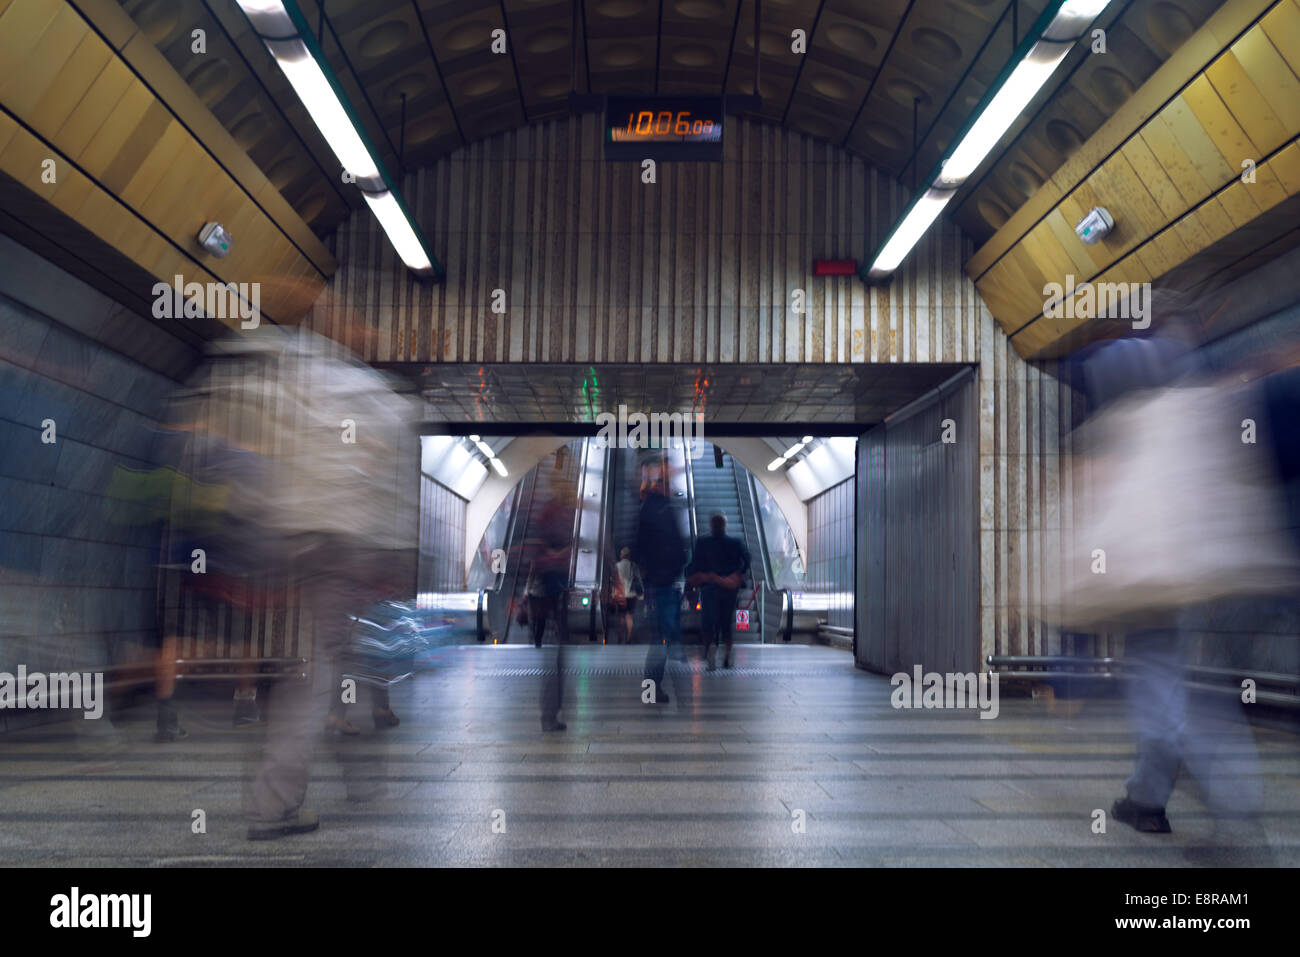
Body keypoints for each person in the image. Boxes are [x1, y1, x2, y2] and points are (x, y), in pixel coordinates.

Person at [634, 459, 687, 704]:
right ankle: (652, 689)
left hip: (661, 579)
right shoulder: (656, 509)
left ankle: (653, 688)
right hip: (661, 581)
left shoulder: (657, 507)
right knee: (660, 637)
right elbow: (647, 546)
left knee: (661, 636)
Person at [687, 513, 750, 670]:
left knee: (709, 621)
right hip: (729, 588)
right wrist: (738, 572)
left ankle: (709, 652)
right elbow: (747, 559)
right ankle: (727, 654)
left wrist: (692, 579)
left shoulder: (702, 543)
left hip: (709, 587)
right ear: (725, 525)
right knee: (726, 622)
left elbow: (695, 564)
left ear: (711, 526)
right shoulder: (736, 543)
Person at [613, 547, 644, 644]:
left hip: (621, 594)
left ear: (621, 555)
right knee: (629, 616)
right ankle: (628, 638)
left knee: (621, 616)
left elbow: (615, 580)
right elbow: (639, 579)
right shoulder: (633, 565)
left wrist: (613, 593)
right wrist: (641, 593)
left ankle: (620, 637)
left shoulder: (617, 566)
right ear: (629, 555)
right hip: (631, 595)